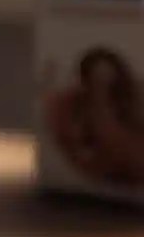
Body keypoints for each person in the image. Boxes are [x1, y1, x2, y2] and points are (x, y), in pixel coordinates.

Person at [44, 47, 144, 185]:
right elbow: (75, 145)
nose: (102, 81)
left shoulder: (126, 98)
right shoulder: (73, 103)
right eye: (97, 77)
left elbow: (132, 135)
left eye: (107, 76)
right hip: (102, 165)